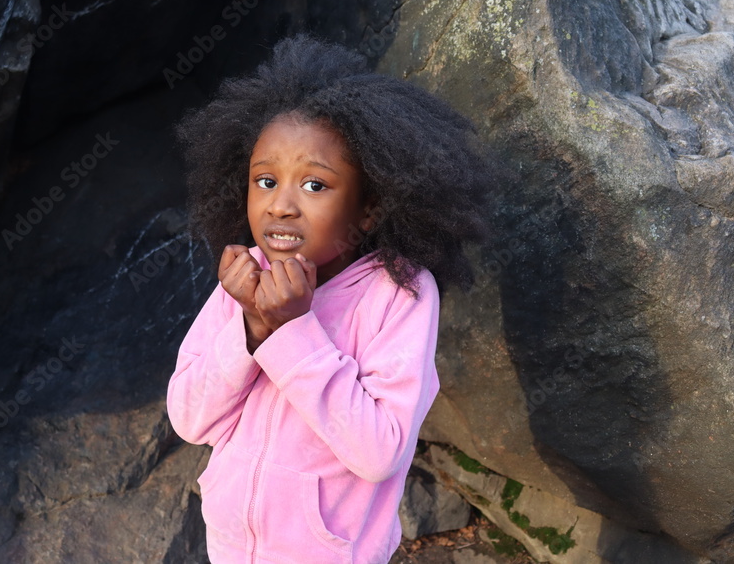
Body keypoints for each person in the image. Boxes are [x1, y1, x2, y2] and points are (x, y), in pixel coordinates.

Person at [166, 33, 496, 563]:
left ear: (368, 208)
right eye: (266, 180)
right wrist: (251, 326)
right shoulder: (248, 278)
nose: (281, 206)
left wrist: (292, 331)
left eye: (315, 186)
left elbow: (380, 452)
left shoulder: (398, 292)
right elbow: (189, 419)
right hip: (229, 548)